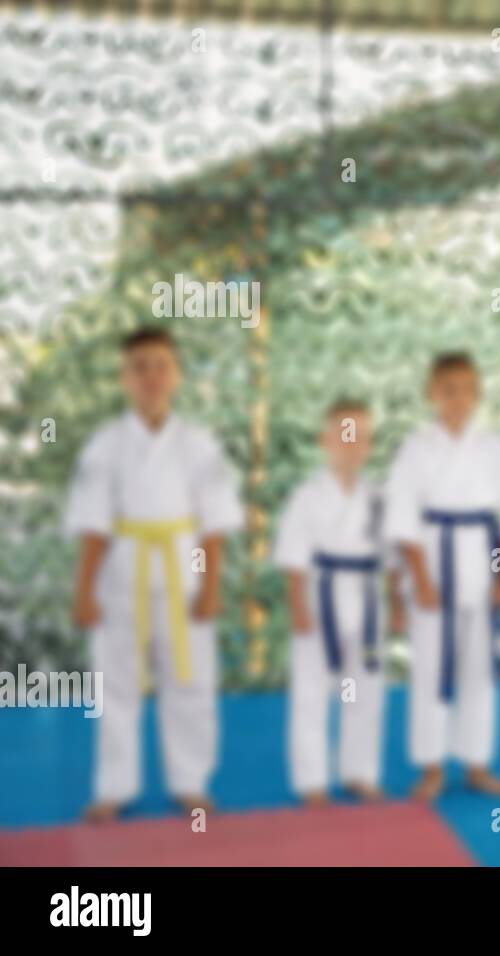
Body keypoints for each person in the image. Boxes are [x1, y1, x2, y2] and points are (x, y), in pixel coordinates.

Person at [67, 327, 242, 822]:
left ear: (177, 374)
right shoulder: (104, 445)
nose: (151, 376)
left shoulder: (200, 444)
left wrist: (209, 587)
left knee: (191, 681)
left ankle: (191, 782)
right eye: (139, 366)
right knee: (116, 684)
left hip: (183, 570)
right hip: (121, 575)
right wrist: (83, 591)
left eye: (160, 365)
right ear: (125, 378)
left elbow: (214, 527)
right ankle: (114, 786)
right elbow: (92, 525)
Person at [386, 352, 500, 800]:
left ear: (478, 394)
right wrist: (420, 579)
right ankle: (431, 766)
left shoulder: (493, 447)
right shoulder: (415, 447)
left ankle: (478, 762)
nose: (458, 399)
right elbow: (402, 518)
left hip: (482, 560)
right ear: (431, 393)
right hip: (434, 558)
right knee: (430, 667)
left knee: (480, 668)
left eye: (466, 389)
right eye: (448, 390)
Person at [275, 399, 398, 806]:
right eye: (344, 434)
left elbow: (391, 558)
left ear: (370, 445)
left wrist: (396, 603)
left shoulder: (379, 497)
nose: (352, 444)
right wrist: (298, 606)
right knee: (312, 690)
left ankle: (360, 772)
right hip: (321, 596)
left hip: (366, 598)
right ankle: (312, 781)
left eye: (361, 436)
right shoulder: (307, 496)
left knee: (365, 689)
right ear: (325, 440)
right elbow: (294, 558)